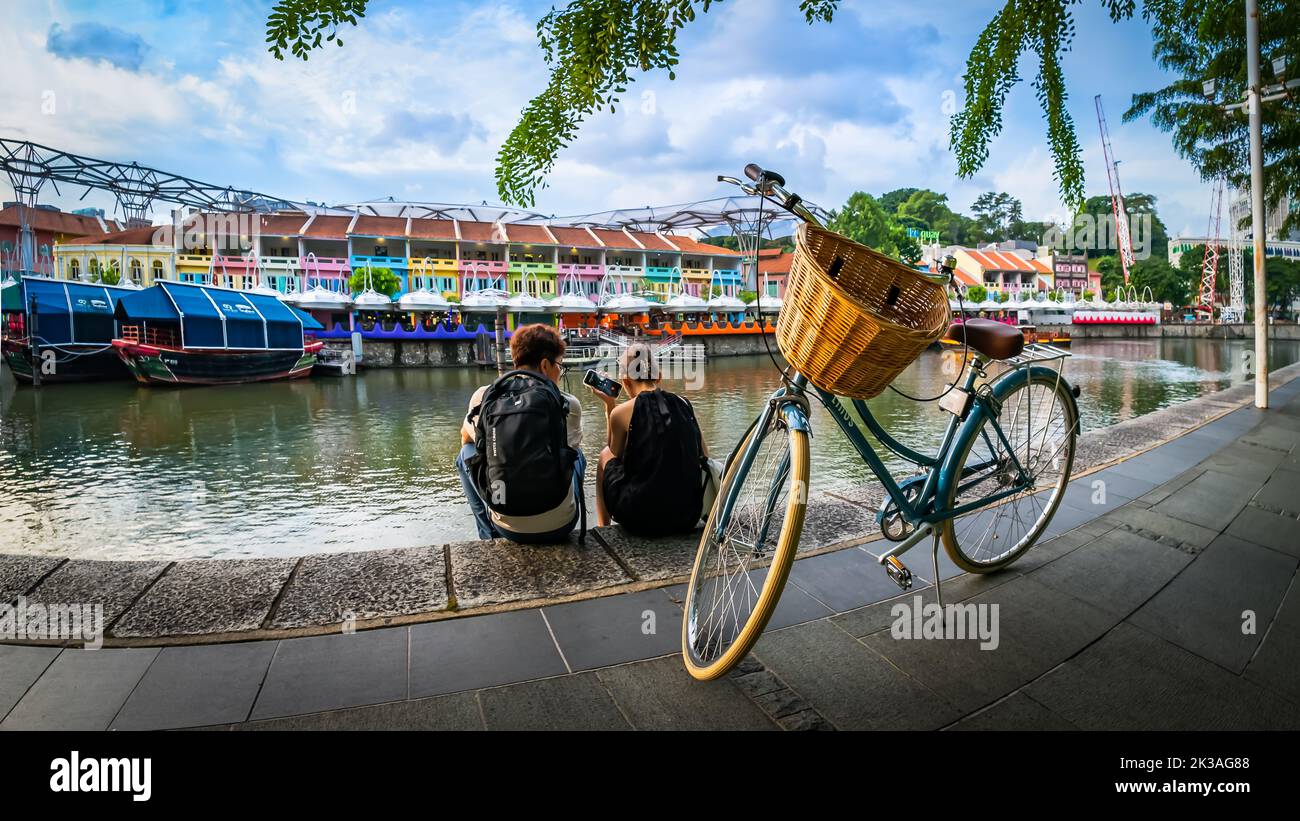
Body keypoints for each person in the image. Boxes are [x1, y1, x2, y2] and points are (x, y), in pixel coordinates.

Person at [456, 323, 585, 543]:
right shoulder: (568, 404)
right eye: (559, 366)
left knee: (465, 455)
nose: (559, 373)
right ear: (545, 365)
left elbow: (465, 438)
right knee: (577, 454)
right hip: (560, 525)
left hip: (509, 528)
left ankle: (488, 534)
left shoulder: (483, 397)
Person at [589, 342, 709, 536]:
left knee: (604, 455)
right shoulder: (684, 403)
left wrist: (610, 405)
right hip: (687, 516)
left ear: (625, 381)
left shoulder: (620, 413)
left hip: (640, 520)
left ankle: (604, 529)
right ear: (658, 376)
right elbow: (704, 454)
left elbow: (614, 454)